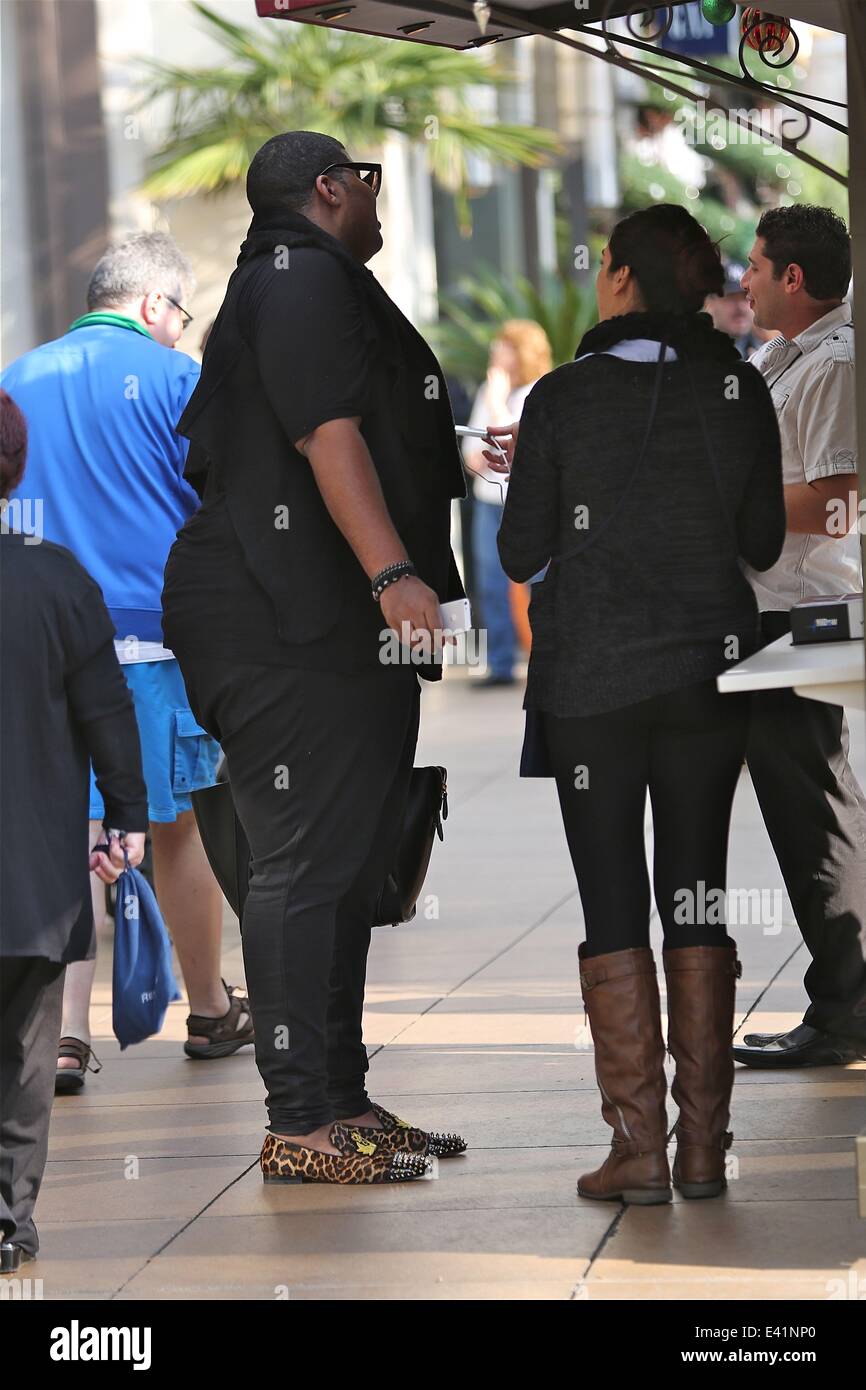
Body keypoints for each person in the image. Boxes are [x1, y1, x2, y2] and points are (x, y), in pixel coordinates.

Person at [162, 130, 472, 1184]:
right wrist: (395, 576)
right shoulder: (296, 274)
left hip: (321, 620)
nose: (377, 200)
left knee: (346, 863)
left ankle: (339, 1097)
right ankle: (298, 1121)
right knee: (302, 862)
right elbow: (323, 433)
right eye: (368, 181)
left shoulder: (309, 278)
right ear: (328, 189)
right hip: (278, 619)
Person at [497, 204, 786, 1205]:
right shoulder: (734, 384)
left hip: (591, 686)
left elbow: (518, 553)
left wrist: (529, 467)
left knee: (612, 898)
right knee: (695, 891)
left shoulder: (562, 398)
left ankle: (638, 1152)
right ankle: (705, 1147)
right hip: (708, 679)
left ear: (618, 279)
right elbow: (756, 544)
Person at [0, 234, 252, 1090]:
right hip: (150, 640)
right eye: (180, 314)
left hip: (35, 642)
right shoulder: (177, 379)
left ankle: (65, 1033)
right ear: (153, 305)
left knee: (72, 826)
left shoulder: (19, 378)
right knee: (170, 826)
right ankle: (211, 1007)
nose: (180, 333)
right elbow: (230, 493)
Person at [0, 390, 148, 1274]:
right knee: (25, 1047)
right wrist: (125, 819)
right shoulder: (57, 578)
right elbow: (107, 715)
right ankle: (10, 1219)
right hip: (30, 880)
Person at [734, 205, 866, 1069]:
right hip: (767, 613)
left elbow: (834, 498)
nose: (741, 279)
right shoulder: (779, 358)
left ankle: (848, 1009)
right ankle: (843, 999)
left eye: (754, 265)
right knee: (803, 808)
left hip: (805, 613)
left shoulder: (836, 364)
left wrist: (719, 503)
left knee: (817, 812)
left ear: (792, 278)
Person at [463, 321, 553, 686]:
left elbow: (514, 449)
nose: (495, 355)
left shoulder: (538, 392)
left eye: (503, 348)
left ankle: (546, 661)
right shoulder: (490, 391)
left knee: (538, 582)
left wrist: (498, 403)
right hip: (488, 502)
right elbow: (472, 454)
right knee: (489, 581)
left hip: (526, 502)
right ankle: (500, 665)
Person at [705, 260, 773, 359]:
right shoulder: (690, 355)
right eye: (730, 298)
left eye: (746, 297)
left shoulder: (769, 354)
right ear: (709, 303)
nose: (740, 307)